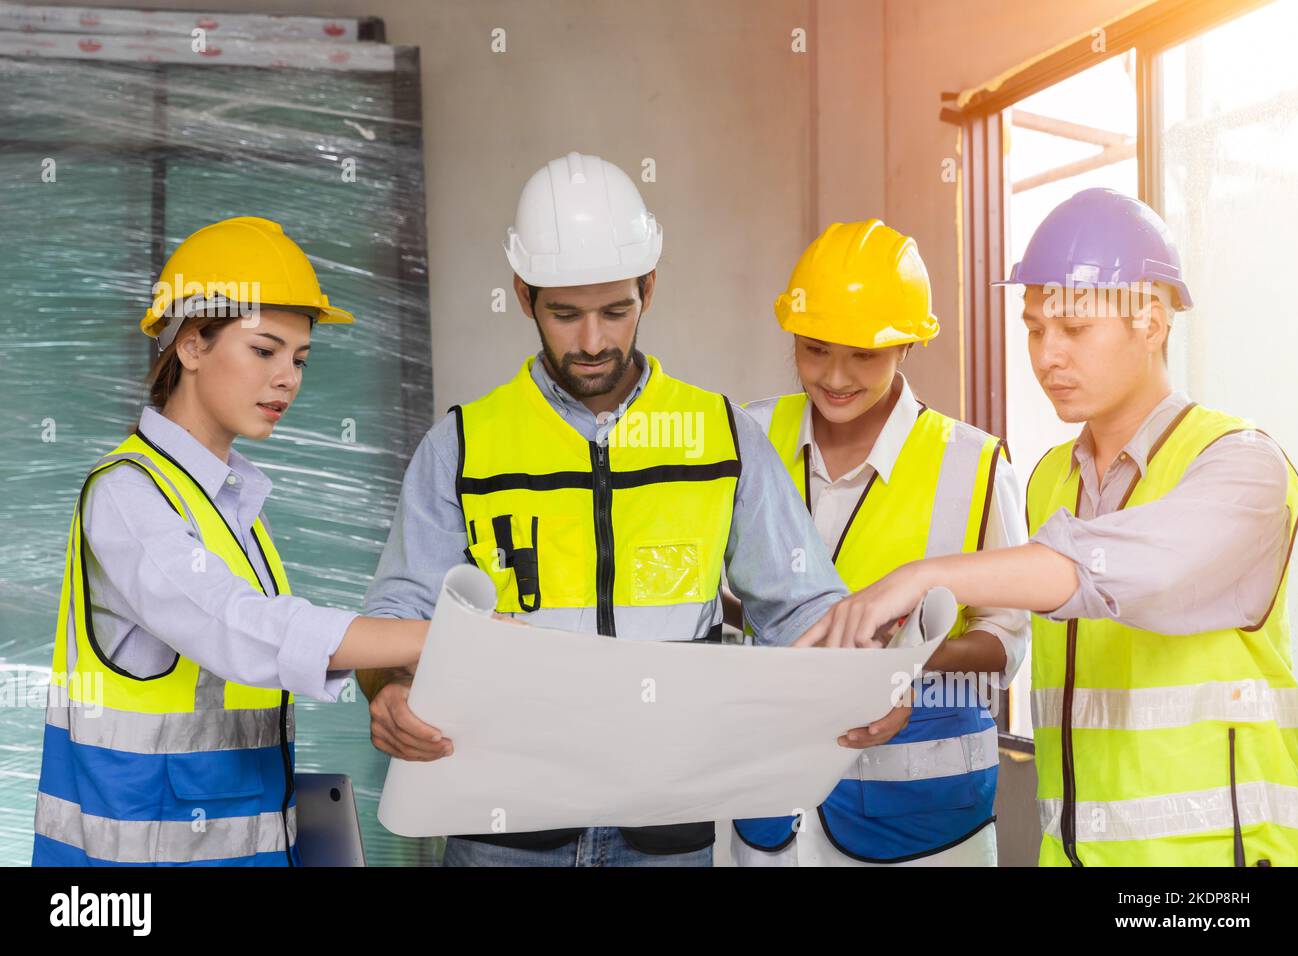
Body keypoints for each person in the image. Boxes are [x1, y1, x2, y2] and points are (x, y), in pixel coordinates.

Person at [359, 152, 910, 867]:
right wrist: (391, 691)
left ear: (649, 287)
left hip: (667, 830)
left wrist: (866, 682)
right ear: (523, 296)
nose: (592, 341)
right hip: (503, 827)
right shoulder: (462, 447)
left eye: (616, 311)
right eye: (565, 313)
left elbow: (802, 605)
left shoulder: (721, 436)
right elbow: (396, 617)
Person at [800, 189, 1298, 867]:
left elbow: (1114, 569)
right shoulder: (1048, 482)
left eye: (1074, 329)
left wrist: (921, 575)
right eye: (1035, 328)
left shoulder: (1243, 467)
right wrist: (895, 668)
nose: (1046, 357)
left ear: (1150, 319)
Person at [33, 217, 433, 867]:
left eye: (299, 359)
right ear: (192, 345)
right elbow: (242, 628)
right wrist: (430, 636)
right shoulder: (127, 495)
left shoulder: (231, 505)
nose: (288, 379)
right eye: (265, 350)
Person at [729, 220, 1028, 866]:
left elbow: (1008, 645)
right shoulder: (752, 435)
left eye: (863, 354)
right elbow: (721, 595)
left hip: (925, 828)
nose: (834, 376)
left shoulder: (973, 464)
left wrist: (903, 661)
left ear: (909, 347)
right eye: (814, 349)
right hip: (774, 813)